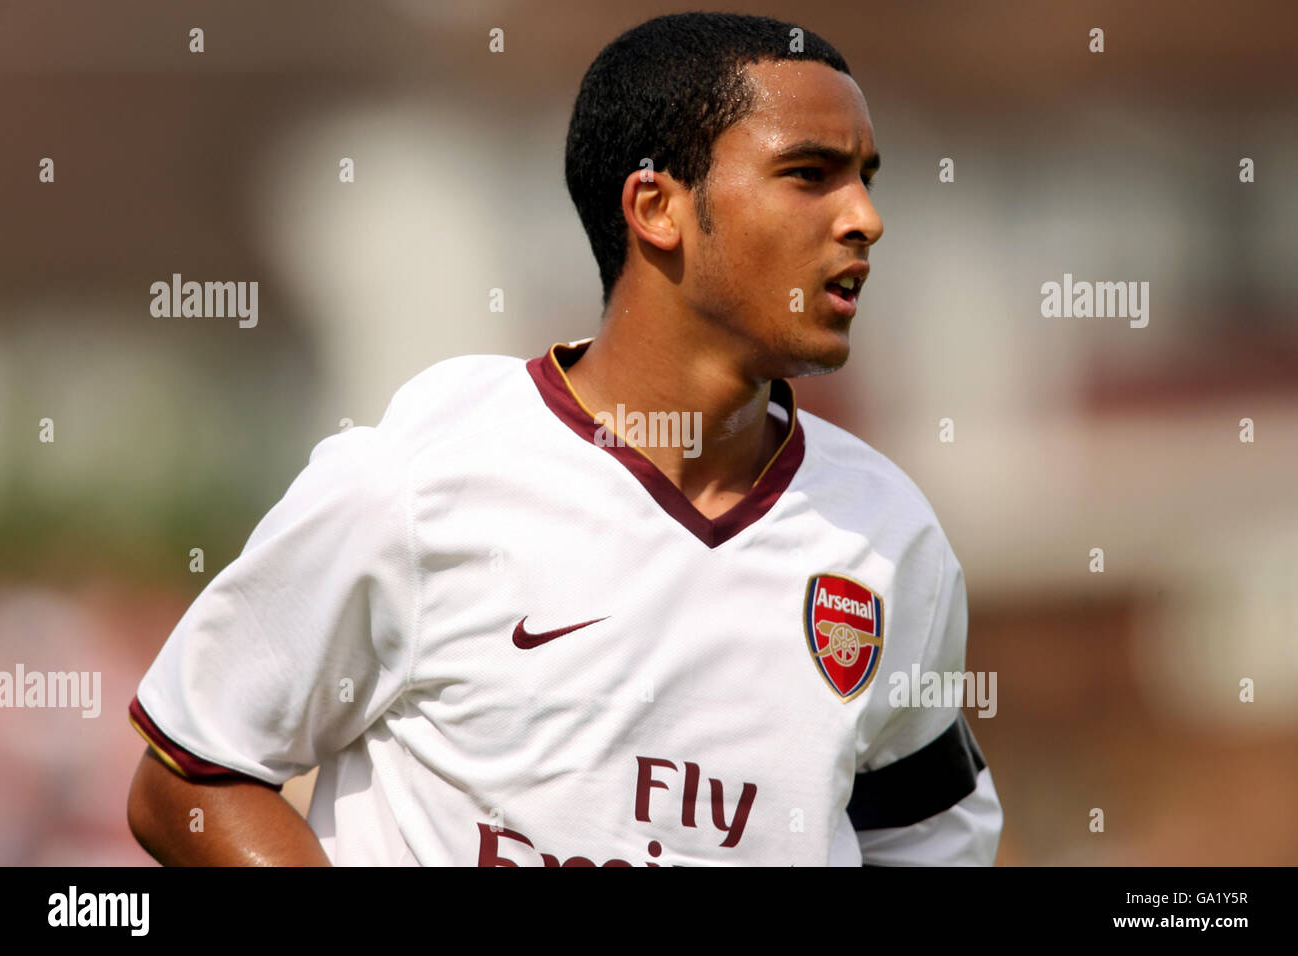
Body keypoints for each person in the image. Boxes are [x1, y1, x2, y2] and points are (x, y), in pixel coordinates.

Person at [126, 11, 1002, 866]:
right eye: (810, 174)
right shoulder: (422, 476)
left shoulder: (890, 536)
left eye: (866, 179)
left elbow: (923, 839)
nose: (864, 218)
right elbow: (191, 780)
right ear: (656, 207)